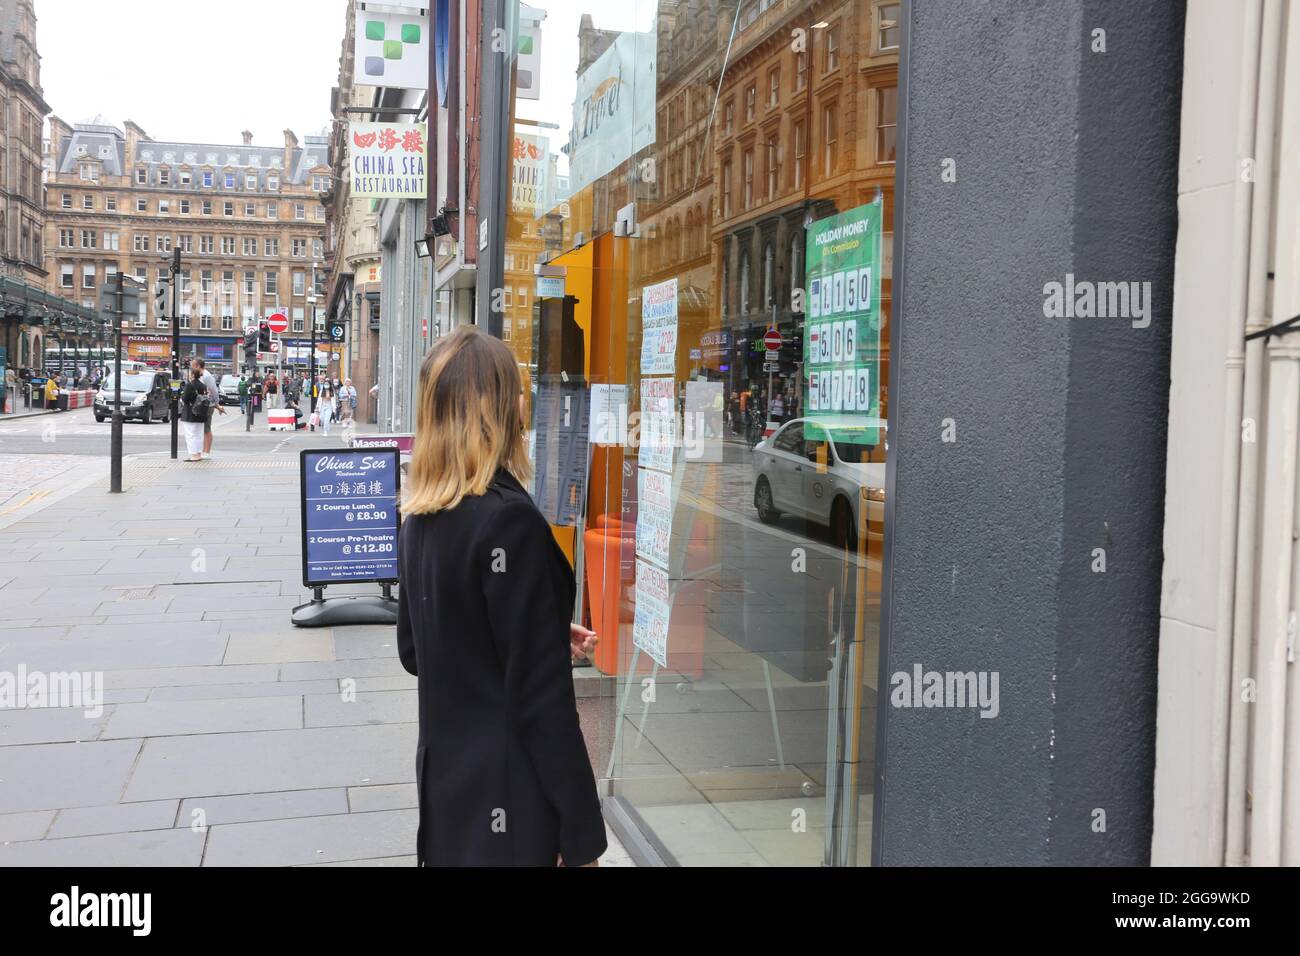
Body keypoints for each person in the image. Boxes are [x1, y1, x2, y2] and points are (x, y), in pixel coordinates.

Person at [397, 325, 606, 867]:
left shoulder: (420, 513)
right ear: (495, 409)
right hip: (513, 805)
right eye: (516, 389)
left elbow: (417, 650)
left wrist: (542, 623)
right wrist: (581, 837)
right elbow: (542, 704)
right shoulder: (508, 520)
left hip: (449, 796)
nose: (523, 401)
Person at [191, 358, 226, 457]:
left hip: (207, 404)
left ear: (198, 366)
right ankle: (203, 450)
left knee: (206, 428)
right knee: (202, 429)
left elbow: (214, 390)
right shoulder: (201, 376)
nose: (191, 368)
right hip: (201, 404)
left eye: (193, 366)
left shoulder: (206, 376)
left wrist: (217, 403)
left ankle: (206, 452)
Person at [179, 367, 208, 461]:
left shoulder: (189, 385)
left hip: (190, 413)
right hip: (201, 413)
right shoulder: (203, 385)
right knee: (199, 434)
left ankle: (193, 455)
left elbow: (185, 399)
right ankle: (199, 454)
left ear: (191, 375)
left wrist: (182, 396)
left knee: (190, 434)